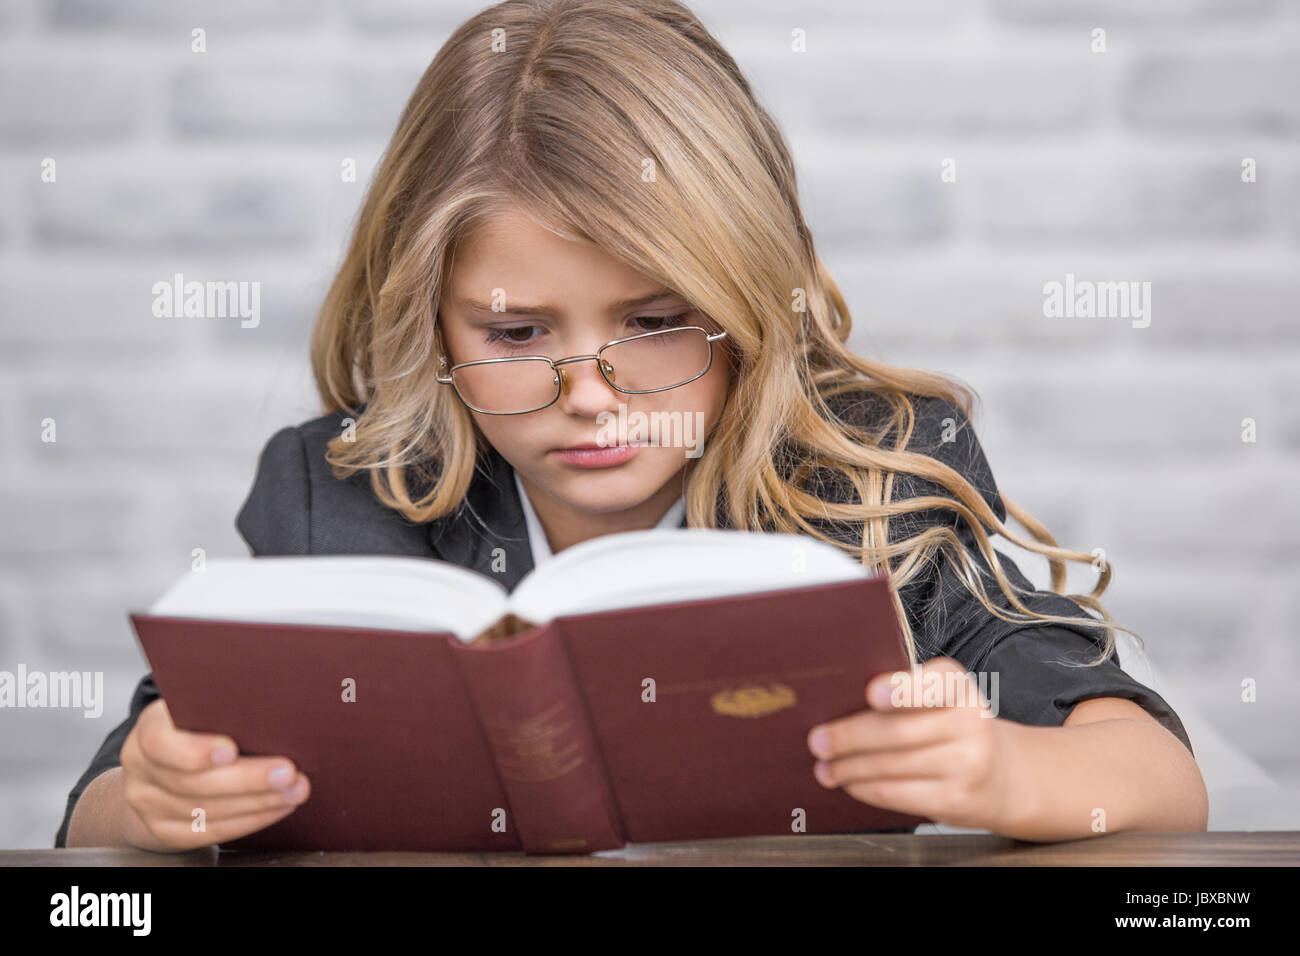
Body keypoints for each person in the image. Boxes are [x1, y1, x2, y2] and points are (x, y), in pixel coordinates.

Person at [57, 0, 1206, 852]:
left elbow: (1155, 774)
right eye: (514, 334)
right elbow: (92, 820)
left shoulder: (876, 472)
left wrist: (997, 767)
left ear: (748, 298)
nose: (589, 392)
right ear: (429, 314)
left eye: (656, 322)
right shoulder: (338, 488)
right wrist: (162, 801)